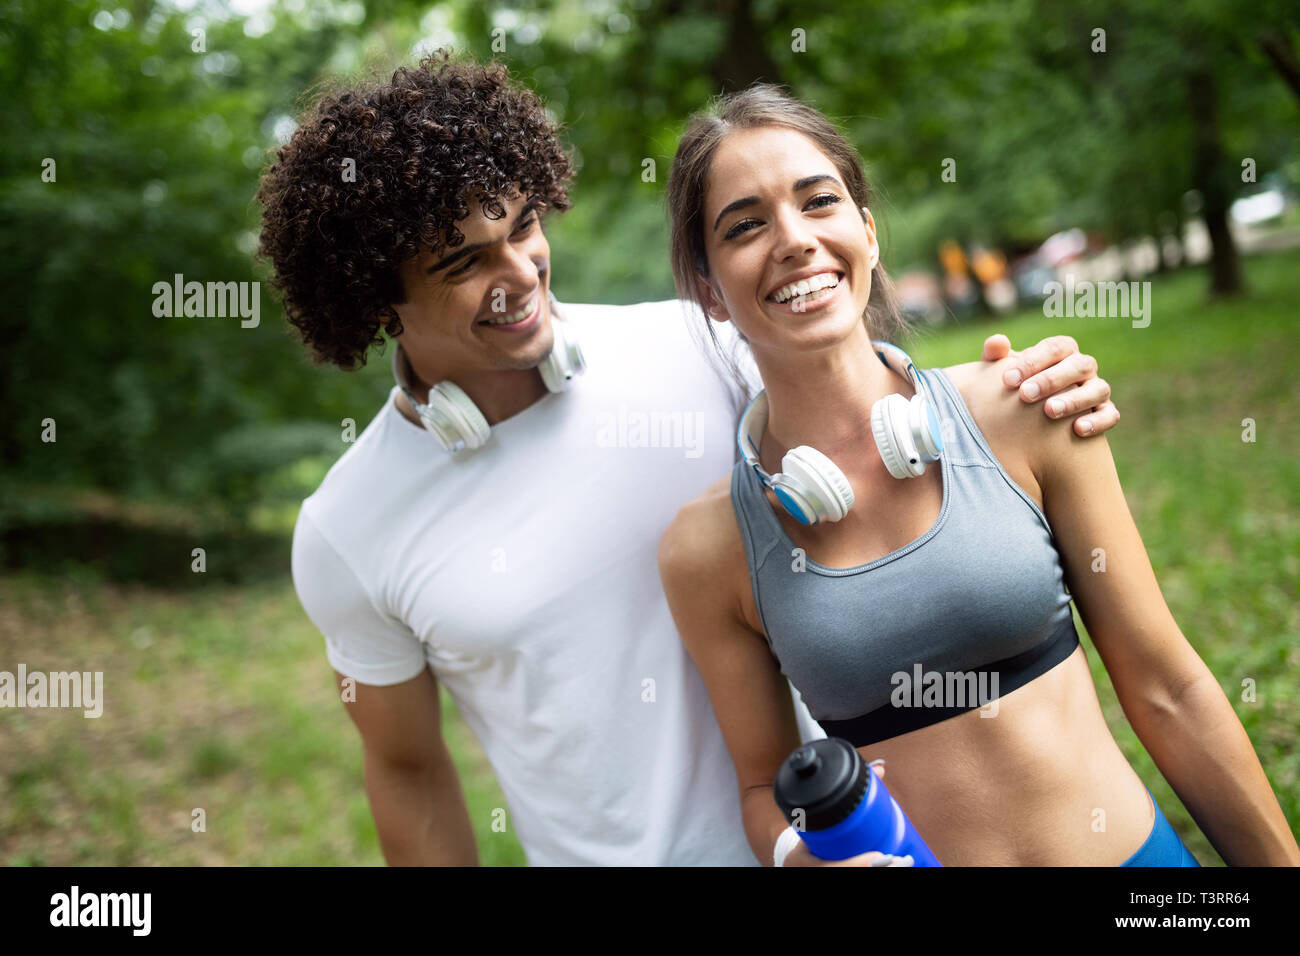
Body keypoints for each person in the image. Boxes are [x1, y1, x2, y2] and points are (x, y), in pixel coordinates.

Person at [257, 52, 1122, 866]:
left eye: (524, 228)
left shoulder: (700, 344)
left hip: (843, 843)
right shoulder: (347, 529)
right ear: (377, 294)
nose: (520, 271)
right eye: (464, 263)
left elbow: (886, 409)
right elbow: (407, 773)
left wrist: (1034, 388)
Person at [657, 84, 1300, 867]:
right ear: (706, 288)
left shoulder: (1024, 404)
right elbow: (763, 790)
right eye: (746, 225)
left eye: (818, 200)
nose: (793, 239)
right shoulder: (706, 548)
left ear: (866, 230)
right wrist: (800, 860)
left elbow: (1169, 689)